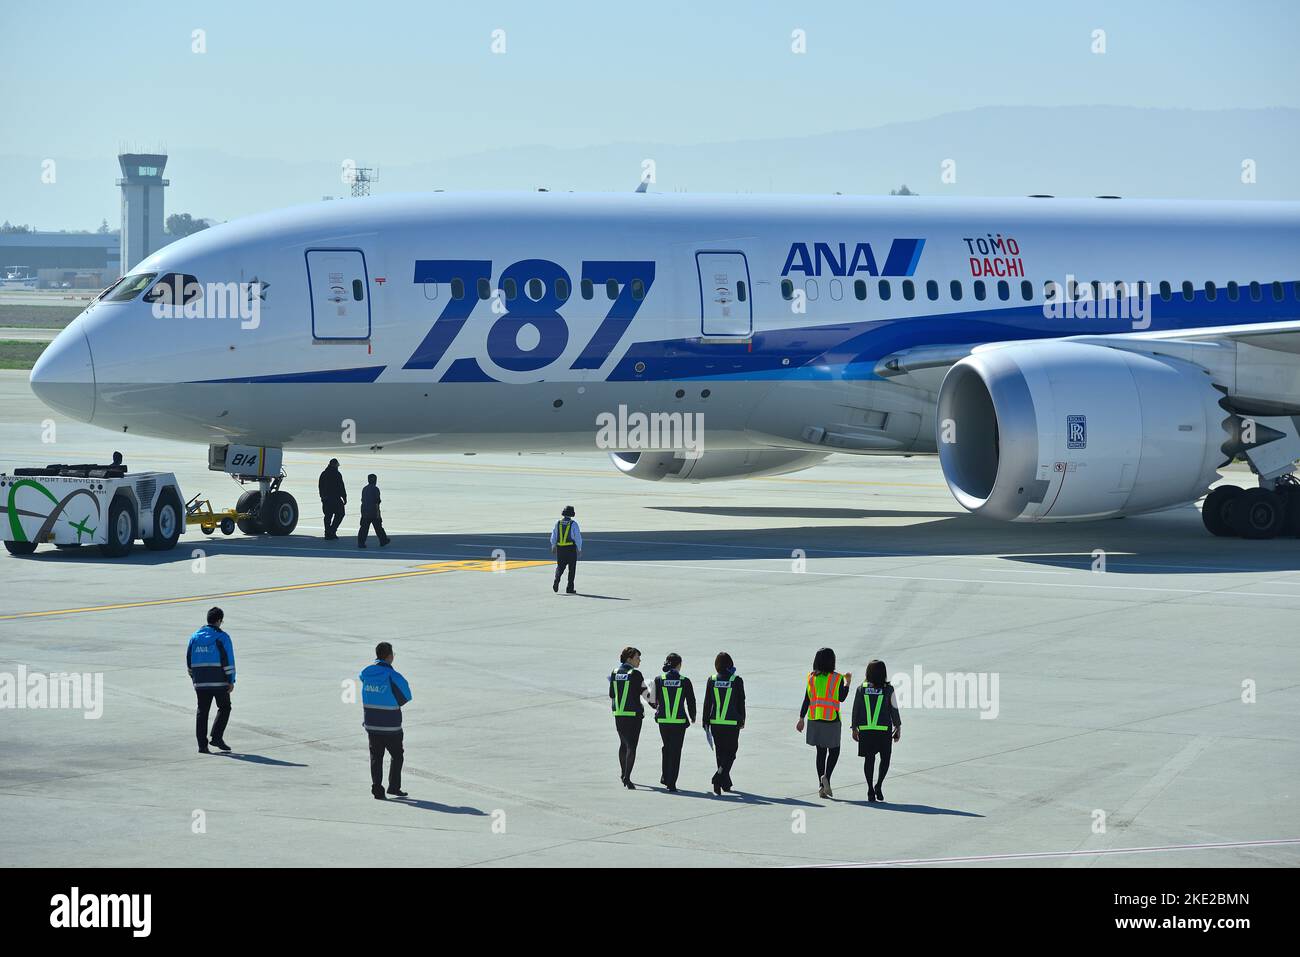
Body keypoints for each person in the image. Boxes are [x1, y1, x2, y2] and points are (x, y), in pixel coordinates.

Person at [360, 641, 413, 800]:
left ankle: (377, 789)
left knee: (376, 757)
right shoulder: (392, 675)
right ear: (389, 656)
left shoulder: (366, 673)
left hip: (372, 723)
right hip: (390, 725)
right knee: (397, 755)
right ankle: (394, 787)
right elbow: (406, 696)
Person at [795, 647, 851, 799]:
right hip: (831, 718)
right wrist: (847, 683)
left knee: (821, 752)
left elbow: (807, 699)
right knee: (835, 750)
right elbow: (841, 697)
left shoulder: (811, 677)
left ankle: (821, 785)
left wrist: (801, 718)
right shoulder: (837, 678)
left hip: (814, 718)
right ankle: (827, 778)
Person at [851, 659, 902, 803]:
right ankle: (878, 785)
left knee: (869, 760)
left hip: (866, 731)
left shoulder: (861, 688)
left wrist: (854, 728)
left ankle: (870, 790)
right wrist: (898, 727)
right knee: (885, 759)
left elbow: (856, 709)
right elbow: (894, 709)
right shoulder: (888, 689)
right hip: (883, 730)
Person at [186, 606, 235, 754]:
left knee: (202, 711)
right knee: (225, 707)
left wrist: (193, 677)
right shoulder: (222, 637)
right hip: (219, 681)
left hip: (200, 681)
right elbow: (228, 660)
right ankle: (216, 737)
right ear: (219, 620)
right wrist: (231, 680)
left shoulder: (194, 637)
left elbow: (189, 659)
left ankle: (202, 745)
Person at [702, 652, 745, 796]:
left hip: (716, 722)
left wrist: (705, 720)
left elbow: (707, 702)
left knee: (720, 754)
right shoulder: (736, 680)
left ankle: (724, 784)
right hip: (732, 722)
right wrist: (743, 719)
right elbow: (741, 702)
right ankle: (718, 778)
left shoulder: (712, 679)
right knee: (731, 753)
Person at [609, 646, 651, 789]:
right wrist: (656, 705)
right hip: (633, 715)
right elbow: (646, 694)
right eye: (637, 658)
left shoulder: (614, 672)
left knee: (623, 744)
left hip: (619, 714)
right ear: (629, 658)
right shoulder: (636, 674)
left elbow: (612, 694)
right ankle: (628, 778)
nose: (639, 661)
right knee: (632, 746)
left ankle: (623, 773)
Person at [653, 653, 697, 792]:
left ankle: (665, 776)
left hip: (664, 720)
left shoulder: (659, 679)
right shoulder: (685, 680)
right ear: (679, 665)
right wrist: (693, 716)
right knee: (675, 751)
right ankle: (671, 783)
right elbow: (691, 701)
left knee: (666, 748)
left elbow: (654, 700)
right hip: (678, 721)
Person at [550, 505, 582, 594]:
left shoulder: (558, 523)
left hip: (560, 549)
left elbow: (554, 535)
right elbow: (578, 538)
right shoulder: (573, 524)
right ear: (572, 514)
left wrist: (553, 546)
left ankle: (557, 579)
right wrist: (579, 549)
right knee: (571, 569)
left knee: (560, 566)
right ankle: (569, 588)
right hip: (570, 549)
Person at [357, 473, 390, 548]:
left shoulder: (364, 488)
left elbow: (363, 499)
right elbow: (377, 502)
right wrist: (378, 514)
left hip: (365, 511)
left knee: (364, 528)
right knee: (378, 527)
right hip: (373, 511)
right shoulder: (375, 489)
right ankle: (383, 540)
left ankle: (361, 542)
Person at [318, 458, 347, 540]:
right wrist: (344, 497)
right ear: (335, 465)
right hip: (335, 498)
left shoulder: (324, 474)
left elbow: (320, 486)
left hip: (326, 498)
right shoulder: (337, 474)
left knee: (328, 516)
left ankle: (328, 533)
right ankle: (332, 531)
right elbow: (341, 487)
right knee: (340, 514)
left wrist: (322, 497)